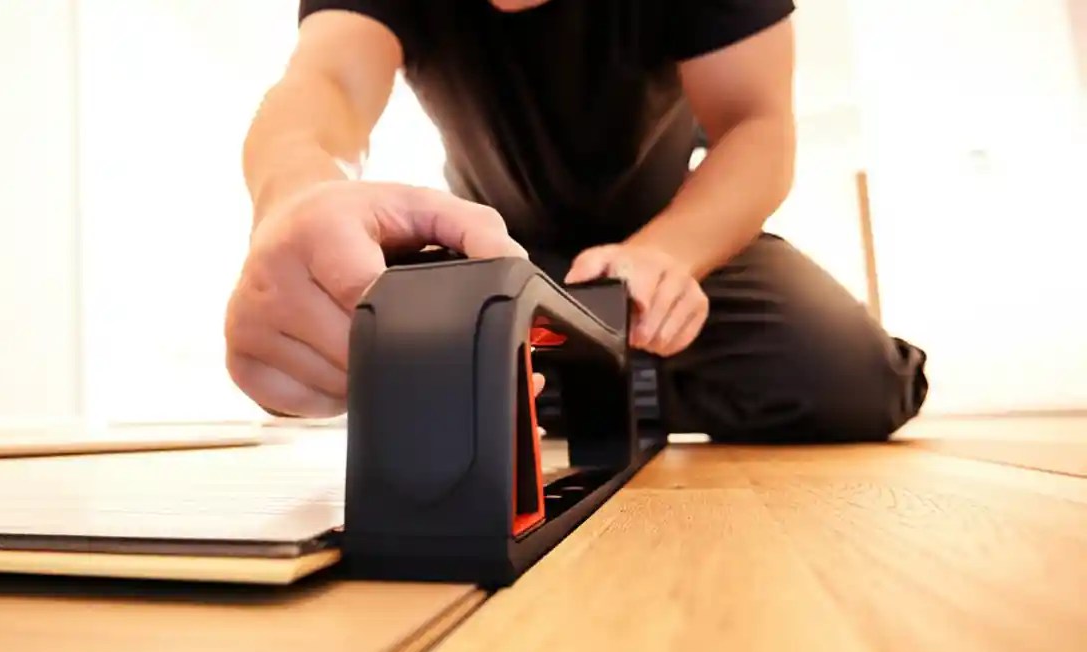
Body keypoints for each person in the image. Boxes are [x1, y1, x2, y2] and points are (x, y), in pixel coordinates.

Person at [226, 0, 928, 442]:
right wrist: (294, 197)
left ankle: (556, 392)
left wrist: (668, 255)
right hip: (495, 251)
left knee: (852, 381)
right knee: (348, 366)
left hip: (671, 242)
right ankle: (574, 387)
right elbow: (325, 84)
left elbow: (757, 126)